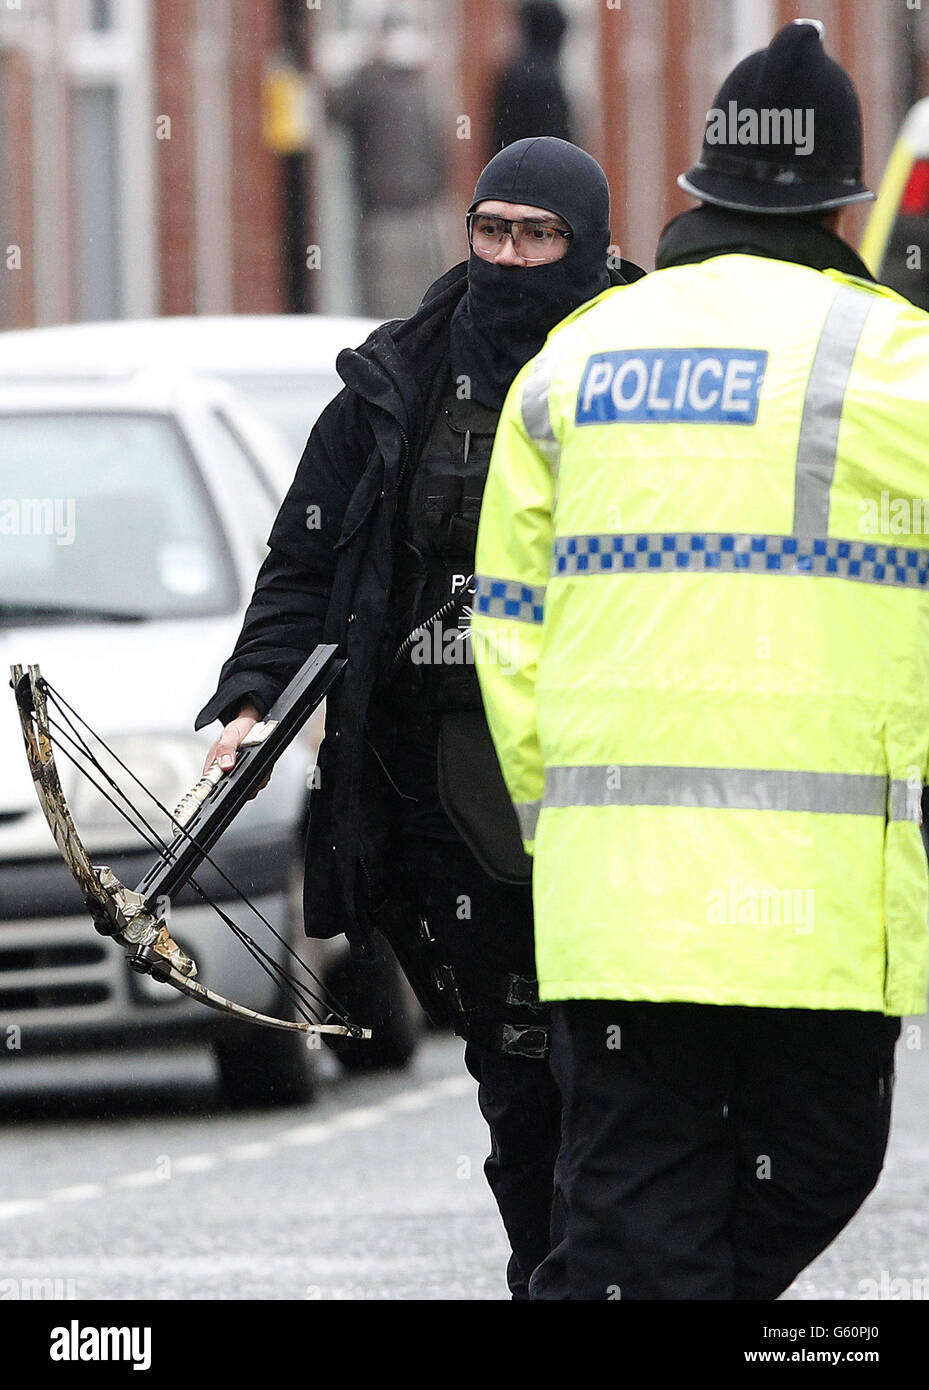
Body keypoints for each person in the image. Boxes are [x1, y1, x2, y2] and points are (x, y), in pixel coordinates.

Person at [473, 20, 929, 1300]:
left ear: (698, 185)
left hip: (618, 899)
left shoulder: (571, 366)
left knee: (635, 1208)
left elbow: (506, 632)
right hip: (823, 910)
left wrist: (553, 823)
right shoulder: (898, 365)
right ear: (844, 198)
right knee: (810, 1169)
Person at [196, 136, 644, 1299]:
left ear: (584, 244)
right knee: (515, 1077)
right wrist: (252, 693)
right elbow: (303, 561)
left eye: (534, 237)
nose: (505, 259)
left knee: (622, 1078)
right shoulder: (397, 378)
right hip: (443, 788)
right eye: (487, 232)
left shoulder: (648, 363)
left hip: (622, 783)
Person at [491, 0, 573, 156]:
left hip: (515, 164)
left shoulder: (513, 72)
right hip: (542, 166)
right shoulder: (545, 76)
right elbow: (556, 136)